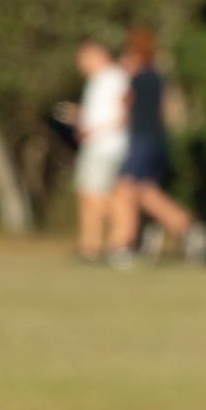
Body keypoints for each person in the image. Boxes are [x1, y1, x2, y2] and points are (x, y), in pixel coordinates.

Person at [108, 27, 206, 266]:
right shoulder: (157, 78)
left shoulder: (139, 80)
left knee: (124, 189)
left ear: (136, 55)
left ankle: (123, 245)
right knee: (146, 193)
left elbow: (126, 107)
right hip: (156, 143)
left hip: (142, 142)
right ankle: (192, 230)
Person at [58, 38, 127, 264]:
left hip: (107, 145)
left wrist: (95, 129)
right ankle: (91, 246)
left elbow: (124, 113)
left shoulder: (114, 77)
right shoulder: (97, 80)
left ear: (97, 55)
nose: (81, 65)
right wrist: (80, 116)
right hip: (94, 144)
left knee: (97, 195)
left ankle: (125, 237)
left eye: (83, 59)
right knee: (87, 194)